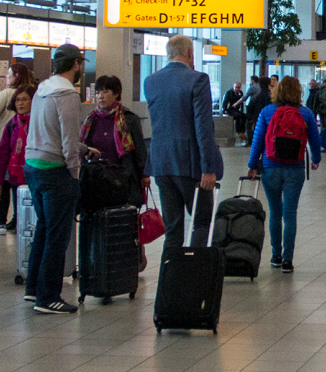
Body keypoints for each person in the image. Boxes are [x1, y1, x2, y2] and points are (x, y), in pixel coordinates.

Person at [143, 35, 222, 258]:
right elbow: (203, 127)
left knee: (173, 229)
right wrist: (208, 168)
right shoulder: (197, 80)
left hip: (161, 163)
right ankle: (193, 278)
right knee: (201, 221)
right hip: (190, 164)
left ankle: (169, 285)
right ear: (189, 53)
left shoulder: (150, 81)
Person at [25, 45, 87, 314]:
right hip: (56, 171)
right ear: (75, 64)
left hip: (33, 167)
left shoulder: (41, 90)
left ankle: (32, 289)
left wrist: (84, 148)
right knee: (57, 236)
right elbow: (68, 139)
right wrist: (74, 172)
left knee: (43, 228)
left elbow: (46, 130)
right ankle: (48, 297)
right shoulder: (67, 94)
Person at [247, 77, 322, 272]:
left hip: (270, 167)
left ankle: (276, 255)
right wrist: (316, 159)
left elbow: (258, 140)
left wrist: (252, 164)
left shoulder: (267, 111)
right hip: (295, 168)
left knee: (275, 212)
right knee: (290, 214)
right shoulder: (305, 113)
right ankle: (288, 260)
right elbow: (315, 139)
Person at [82, 74, 150, 206]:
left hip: (122, 180)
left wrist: (144, 175)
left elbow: (140, 151)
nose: (100, 96)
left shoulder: (128, 119)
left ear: (116, 94)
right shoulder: (91, 120)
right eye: (98, 92)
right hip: (97, 181)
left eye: (105, 91)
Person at [0, 84, 35, 232]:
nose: (20, 103)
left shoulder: (38, 122)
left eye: (24, 99)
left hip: (35, 174)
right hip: (16, 175)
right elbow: (2, 154)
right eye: (17, 100)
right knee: (19, 205)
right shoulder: (12, 124)